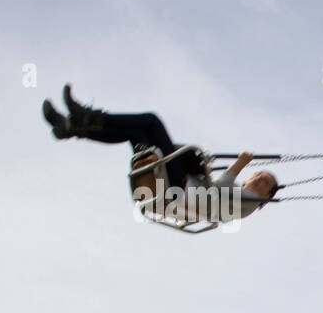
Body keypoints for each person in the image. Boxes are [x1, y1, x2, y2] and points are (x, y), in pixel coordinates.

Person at [40, 85, 278, 223]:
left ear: (266, 196)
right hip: (175, 188)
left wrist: (241, 163)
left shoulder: (249, 204)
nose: (259, 179)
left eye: (265, 182)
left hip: (177, 188)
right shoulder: (237, 195)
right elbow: (215, 190)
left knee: (151, 122)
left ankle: (83, 120)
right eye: (259, 175)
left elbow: (216, 191)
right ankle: (73, 128)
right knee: (137, 132)